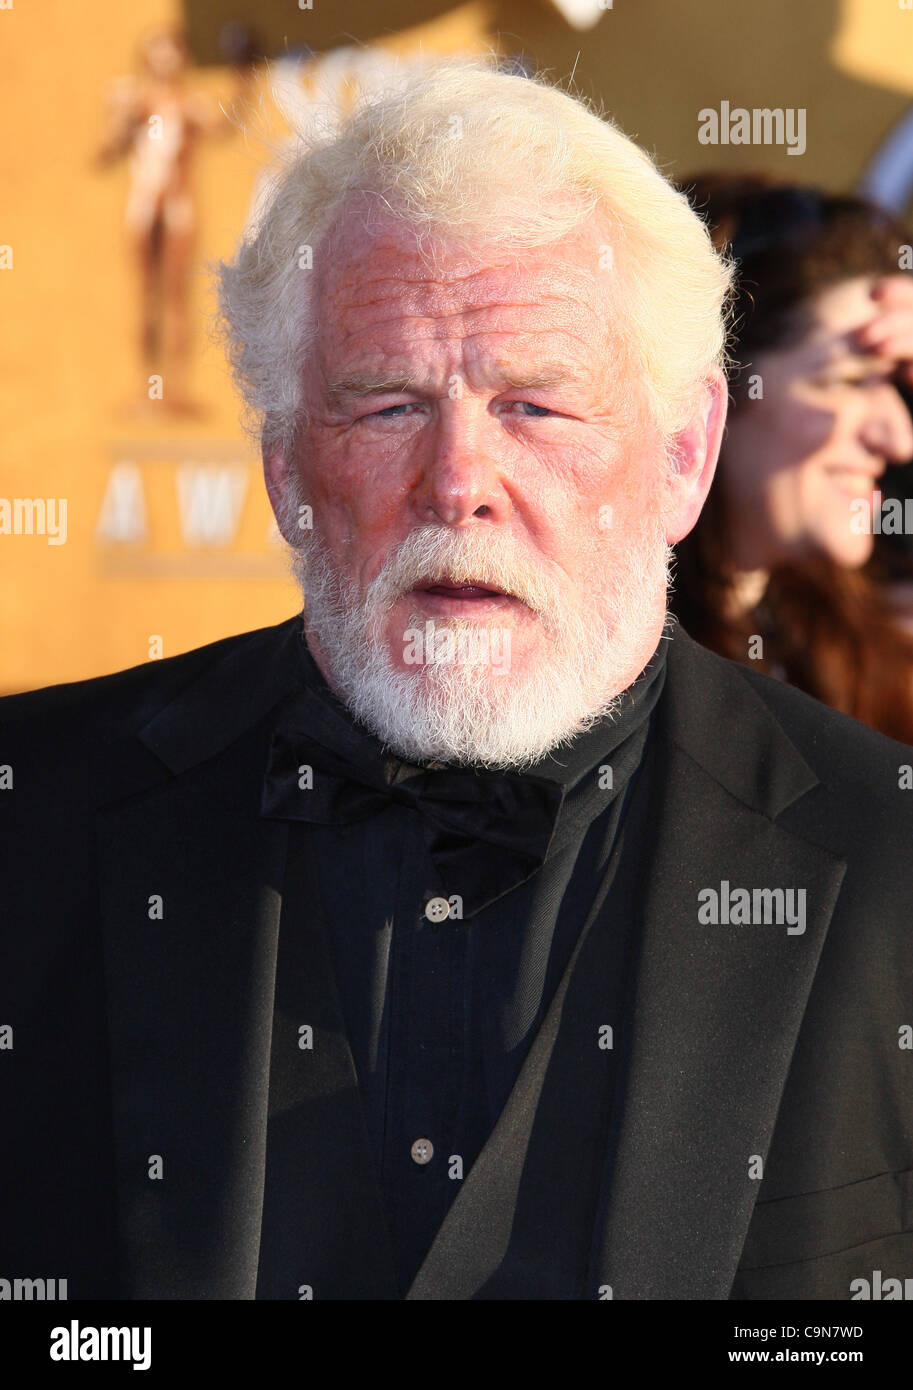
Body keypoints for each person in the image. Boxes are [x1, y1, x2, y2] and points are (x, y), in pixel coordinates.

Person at [2, 61, 911, 1301]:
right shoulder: (31, 818)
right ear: (282, 470)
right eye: (385, 405)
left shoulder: (889, 860)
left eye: (535, 405)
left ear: (685, 458)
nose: (457, 481)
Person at [672, 173, 913, 741]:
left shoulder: (861, 639)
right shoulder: (604, 671)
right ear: (714, 391)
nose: (898, 437)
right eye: (852, 381)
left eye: (896, 386)